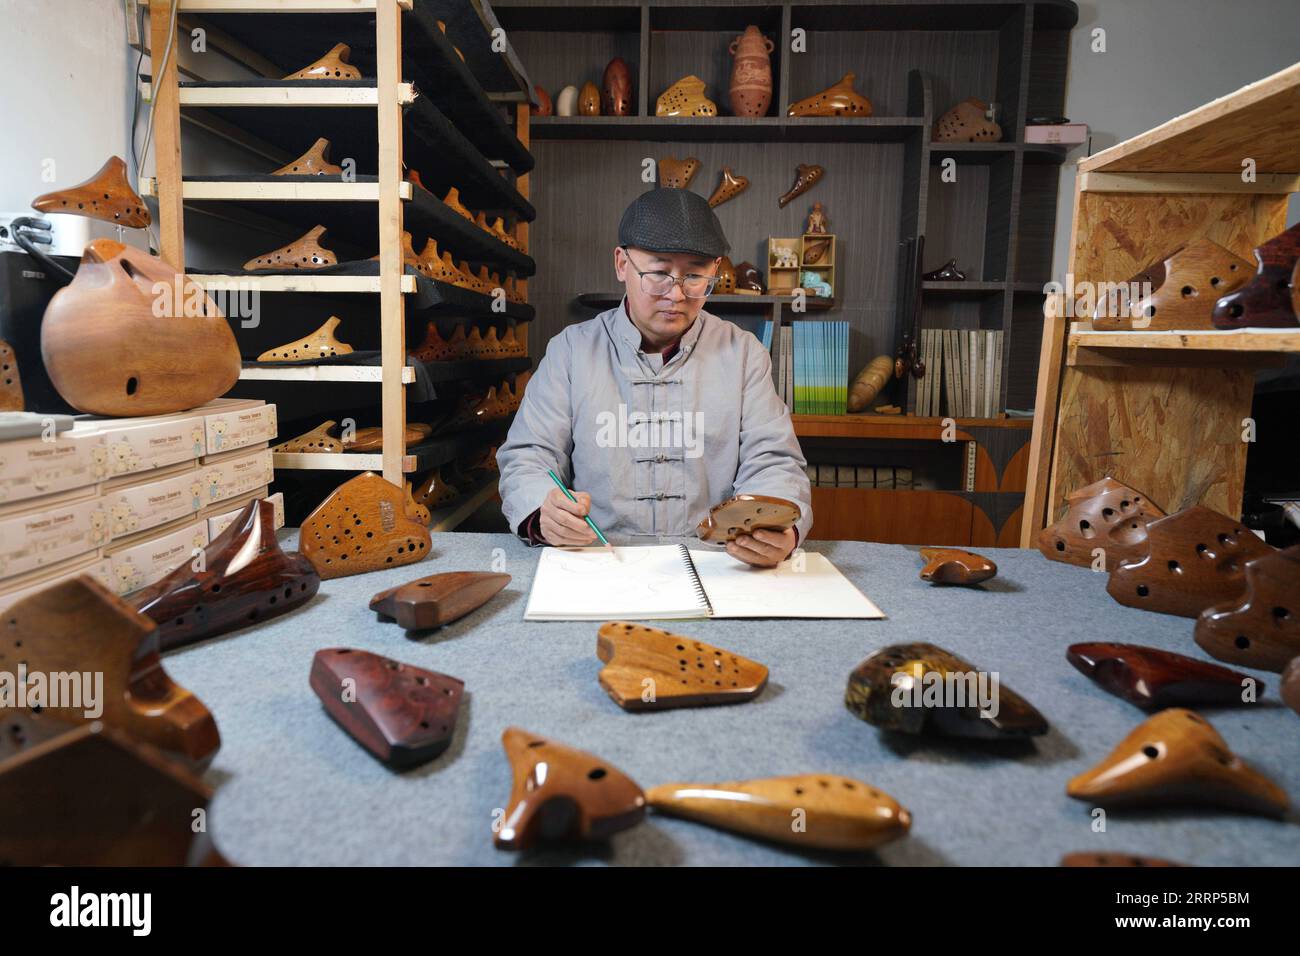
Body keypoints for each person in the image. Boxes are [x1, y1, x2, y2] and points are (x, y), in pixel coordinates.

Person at [497, 187, 812, 567]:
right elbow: (529, 456)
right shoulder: (571, 350)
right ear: (621, 264)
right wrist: (543, 514)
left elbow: (774, 460)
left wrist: (779, 529)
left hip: (716, 564)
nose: (676, 295)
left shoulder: (744, 353)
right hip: (597, 561)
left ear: (715, 270)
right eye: (659, 273)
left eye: (695, 276)